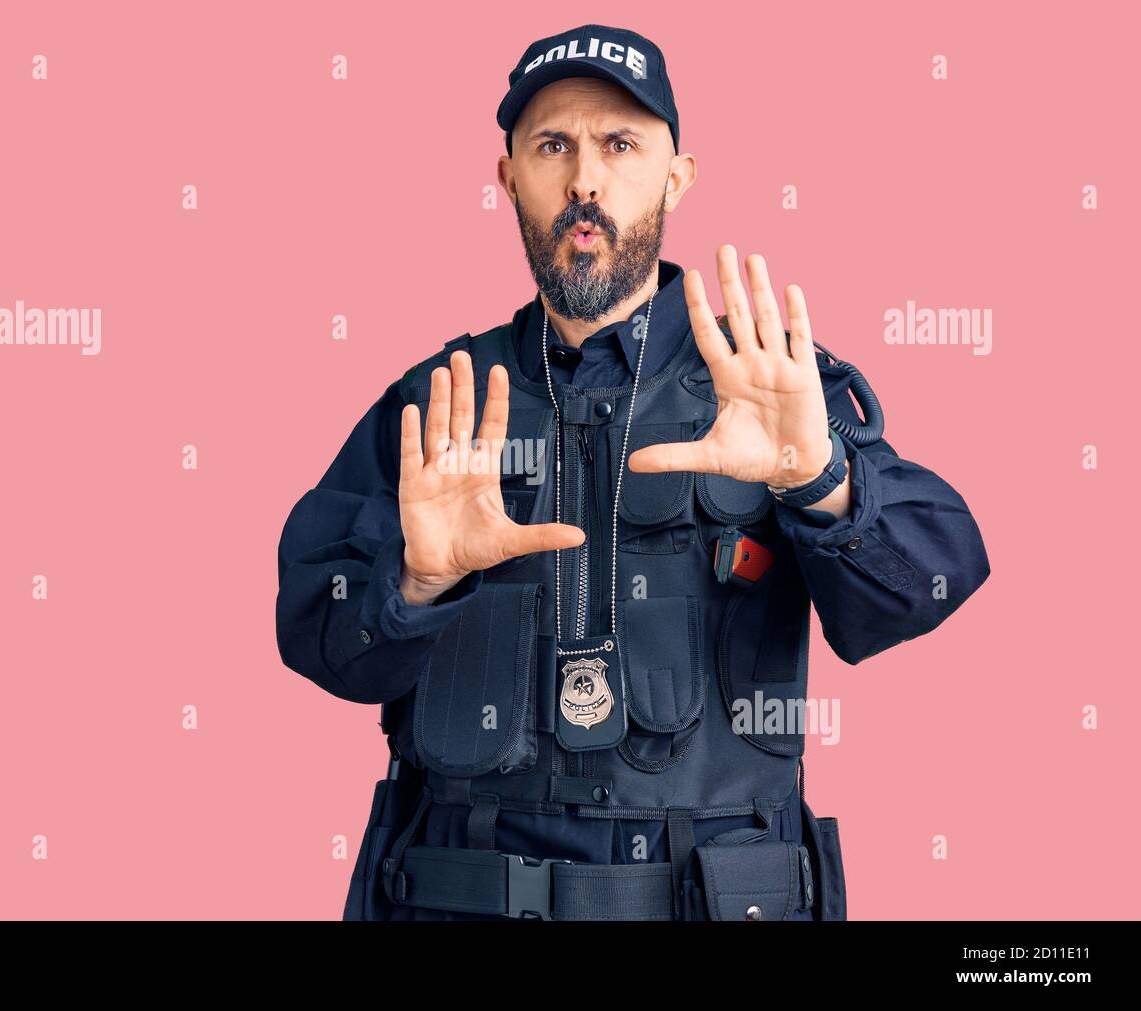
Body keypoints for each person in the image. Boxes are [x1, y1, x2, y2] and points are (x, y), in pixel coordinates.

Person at [276, 24, 990, 921]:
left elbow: (934, 574)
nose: (585, 178)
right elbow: (317, 638)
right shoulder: (440, 405)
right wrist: (414, 583)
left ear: (677, 176)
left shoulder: (765, 382)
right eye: (552, 146)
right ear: (508, 181)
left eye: (620, 144)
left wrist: (817, 476)